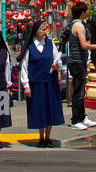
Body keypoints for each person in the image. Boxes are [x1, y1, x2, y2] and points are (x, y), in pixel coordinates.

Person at [20, 18, 65, 147]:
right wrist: (26, 86)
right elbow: (24, 67)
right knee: (39, 109)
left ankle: (47, 137)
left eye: (45, 29)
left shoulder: (50, 44)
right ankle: (41, 137)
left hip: (50, 82)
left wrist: (57, 66)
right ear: (35, 31)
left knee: (50, 108)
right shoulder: (30, 47)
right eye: (42, 29)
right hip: (36, 83)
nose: (44, 31)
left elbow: (58, 60)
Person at [67, 1, 96, 130]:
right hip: (77, 62)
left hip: (80, 61)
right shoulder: (79, 26)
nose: (86, 13)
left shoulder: (78, 24)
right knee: (78, 91)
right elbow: (84, 44)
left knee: (81, 90)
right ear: (82, 13)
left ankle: (82, 116)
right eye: (85, 11)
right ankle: (76, 119)